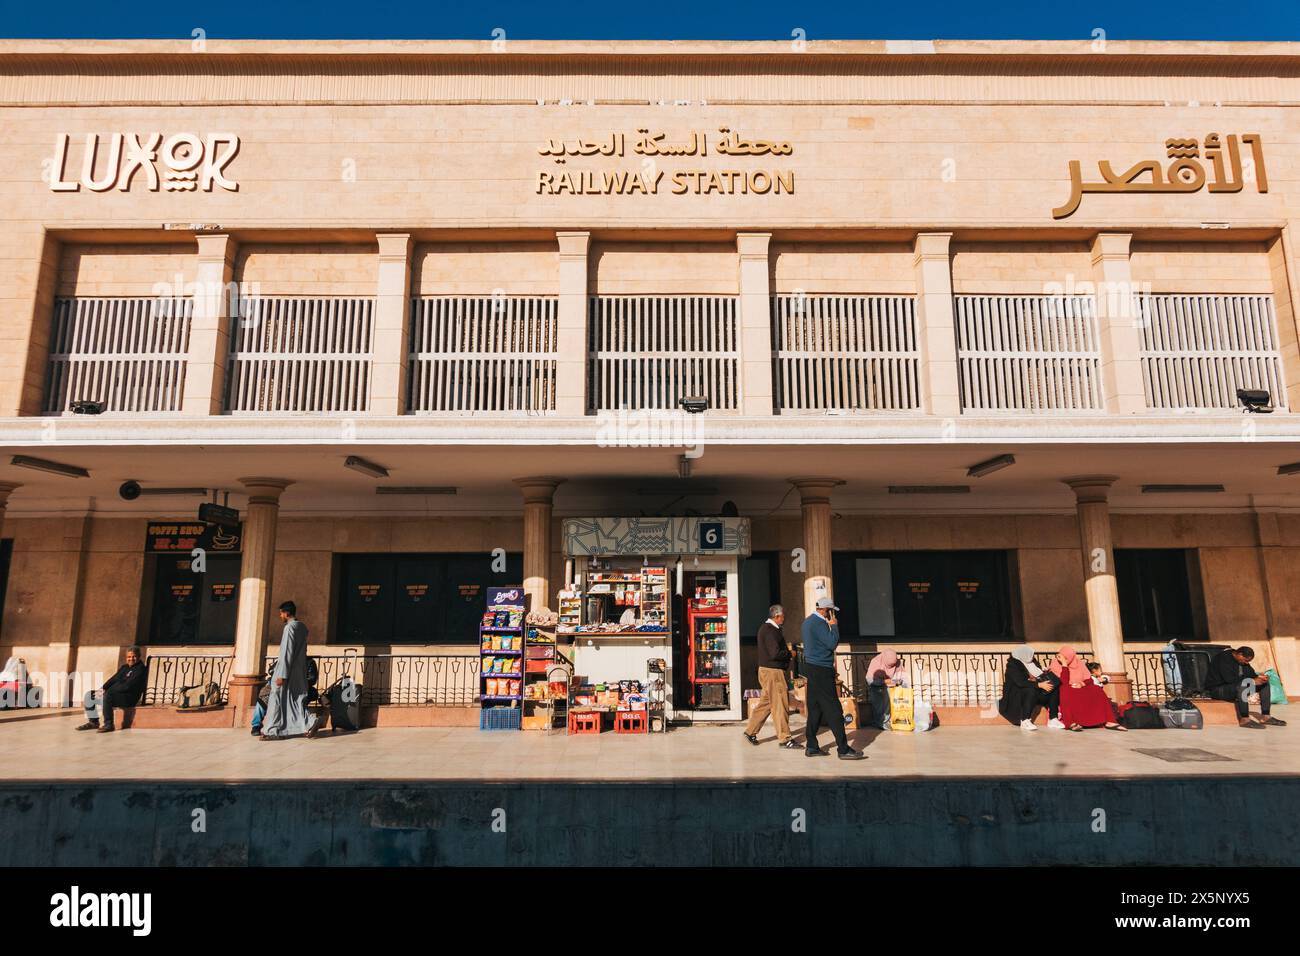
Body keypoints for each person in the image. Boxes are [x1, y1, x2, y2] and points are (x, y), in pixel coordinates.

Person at [800, 597, 865, 760]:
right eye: (832, 611)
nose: (833, 614)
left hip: (811, 668)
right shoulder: (819, 623)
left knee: (814, 708)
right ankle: (843, 749)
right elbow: (831, 643)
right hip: (822, 669)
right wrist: (834, 627)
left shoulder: (807, 622)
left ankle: (812, 746)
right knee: (834, 709)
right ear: (826, 610)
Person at [259, 601, 321, 740]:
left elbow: (287, 652)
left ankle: (272, 730)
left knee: (277, 698)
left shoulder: (290, 628)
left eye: (281, 613)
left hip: (286, 671)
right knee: (295, 700)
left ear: (286, 613)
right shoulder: (302, 627)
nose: (280, 616)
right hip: (298, 670)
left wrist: (282, 674)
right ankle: (309, 722)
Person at [743, 604, 797, 748]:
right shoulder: (770, 631)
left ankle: (750, 731)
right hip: (773, 672)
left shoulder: (768, 629)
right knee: (780, 705)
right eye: (783, 616)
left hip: (768, 671)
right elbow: (775, 654)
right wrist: (790, 654)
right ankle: (785, 739)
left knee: (766, 704)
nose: (784, 618)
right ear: (777, 616)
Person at [1205, 646, 1286, 729]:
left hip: (1234, 688)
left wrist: (1261, 678)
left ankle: (1265, 716)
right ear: (1240, 654)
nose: (1247, 663)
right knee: (1243, 685)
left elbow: (1251, 675)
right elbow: (1229, 679)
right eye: (1246, 660)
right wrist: (1253, 681)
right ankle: (1244, 719)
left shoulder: (1242, 662)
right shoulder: (1223, 658)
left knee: (1264, 684)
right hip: (1218, 690)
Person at [1052, 646, 1126, 731]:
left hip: (1080, 686)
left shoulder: (1079, 664)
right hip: (1067, 687)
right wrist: (1064, 664)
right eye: (1063, 657)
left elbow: (1089, 679)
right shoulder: (1055, 664)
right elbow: (1064, 681)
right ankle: (1071, 722)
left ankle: (1110, 721)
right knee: (1065, 690)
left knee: (1096, 689)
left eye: (1067, 658)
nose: (1065, 659)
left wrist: (1081, 683)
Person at [76, 646, 148, 733]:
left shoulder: (141, 669)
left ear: (139, 656)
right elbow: (113, 679)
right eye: (129, 657)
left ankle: (109, 724)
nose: (131, 659)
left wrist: (108, 691)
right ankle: (93, 722)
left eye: (134, 656)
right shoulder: (124, 668)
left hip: (129, 698)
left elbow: (127, 686)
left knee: (108, 695)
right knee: (90, 695)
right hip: (116, 695)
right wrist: (102, 689)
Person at [998, 644, 1063, 731]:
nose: (1032, 656)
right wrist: (1039, 685)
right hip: (1017, 695)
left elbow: (1037, 674)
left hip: (1035, 691)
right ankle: (1025, 720)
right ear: (1023, 654)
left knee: (1053, 687)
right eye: (1030, 655)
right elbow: (1020, 682)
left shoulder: (1032, 662)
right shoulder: (1012, 666)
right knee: (1030, 689)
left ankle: (1053, 719)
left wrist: (1043, 673)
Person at [864, 647, 909, 729]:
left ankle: (891, 720)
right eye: (889, 665)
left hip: (893, 688)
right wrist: (884, 682)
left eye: (893, 665)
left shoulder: (897, 663)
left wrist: (905, 689)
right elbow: (869, 680)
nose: (891, 667)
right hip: (877, 687)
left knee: (891, 694)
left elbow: (904, 678)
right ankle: (882, 721)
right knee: (883, 695)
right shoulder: (876, 661)